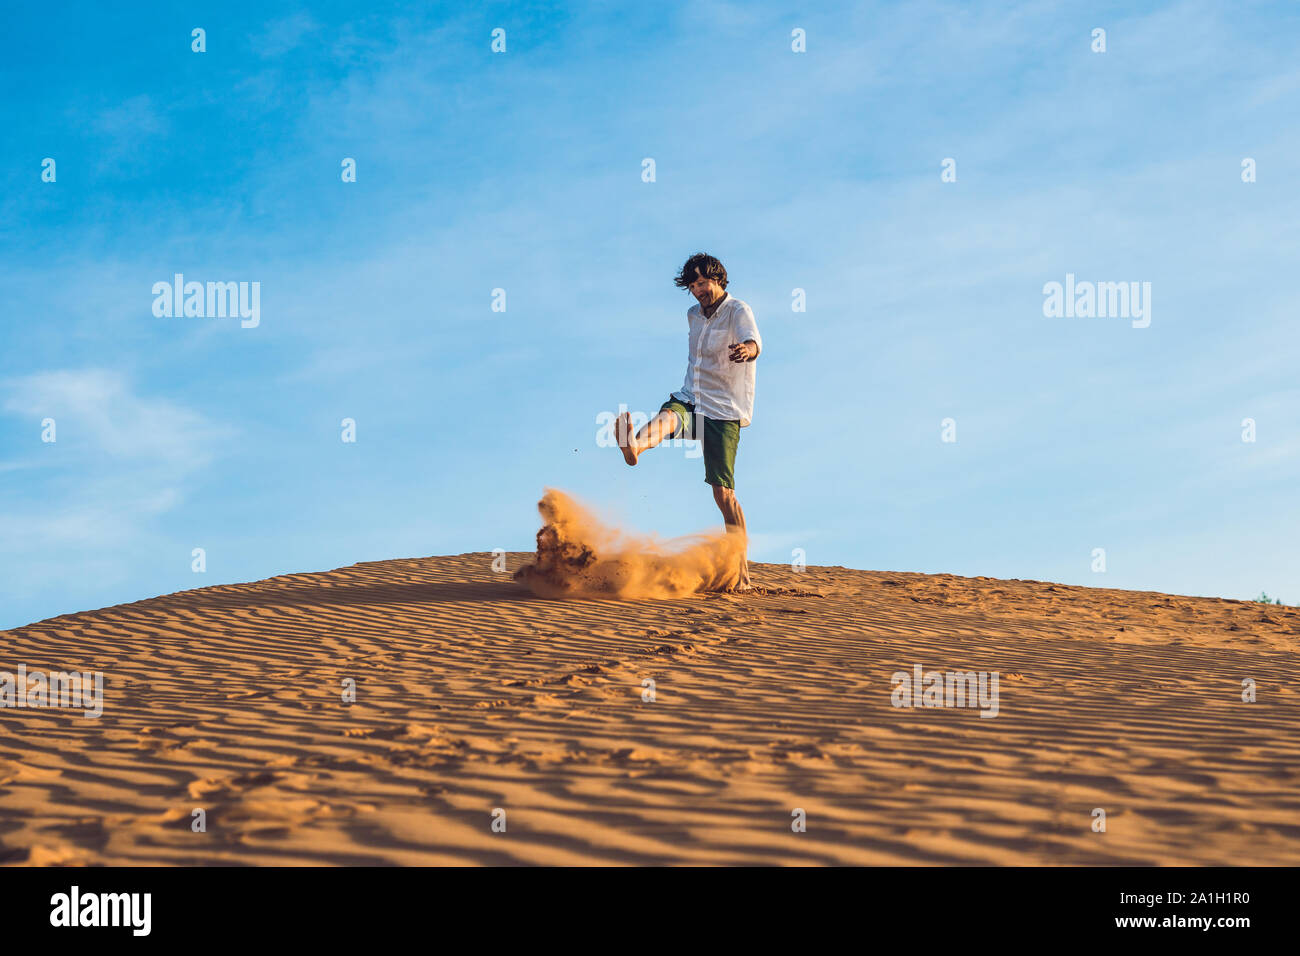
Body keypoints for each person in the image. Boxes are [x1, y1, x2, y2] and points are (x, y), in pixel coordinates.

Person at [615, 252, 762, 589]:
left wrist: (746, 350)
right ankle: (634, 446)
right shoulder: (692, 314)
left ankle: (740, 573)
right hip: (691, 398)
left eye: (703, 282)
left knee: (724, 496)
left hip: (723, 411)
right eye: (693, 285)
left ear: (718, 279)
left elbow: (754, 342)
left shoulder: (738, 310)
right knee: (668, 416)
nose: (698, 290)